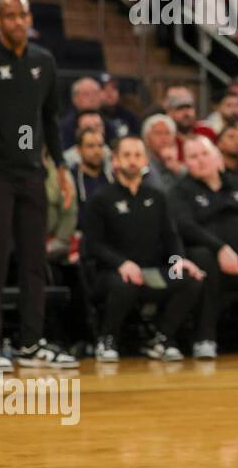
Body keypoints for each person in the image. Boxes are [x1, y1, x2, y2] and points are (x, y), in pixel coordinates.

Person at [0, 0, 79, 370]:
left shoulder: (43, 61)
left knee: (35, 261)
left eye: (22, 15)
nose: (17, 22)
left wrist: (62, 168)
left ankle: (32, 342)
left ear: (30, 19)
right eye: (9, 16)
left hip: (33, 174)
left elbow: (50, 118)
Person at [79, 136, 207, 362]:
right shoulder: (101, 199)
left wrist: (178, 261)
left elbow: (171, 237)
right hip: (111, 272)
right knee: (125, 282)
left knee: (190, 279)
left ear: (145, 160)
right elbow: (93, 244)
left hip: (153, 270)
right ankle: (107, 339)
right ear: (115, 160)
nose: (132, 161)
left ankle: (161, 338)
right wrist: (121, 263)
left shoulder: (157, 197)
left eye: (138, 155)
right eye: (126, 155)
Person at [171, 134, 238, 358]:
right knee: (202, 256)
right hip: (212, 259)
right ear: (185, 163)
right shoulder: (180, 191)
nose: (201, 160)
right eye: (193, 156)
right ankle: (205, 338)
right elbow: (185, 227)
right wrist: (220, 248)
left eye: (205, 153)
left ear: (216, 156)